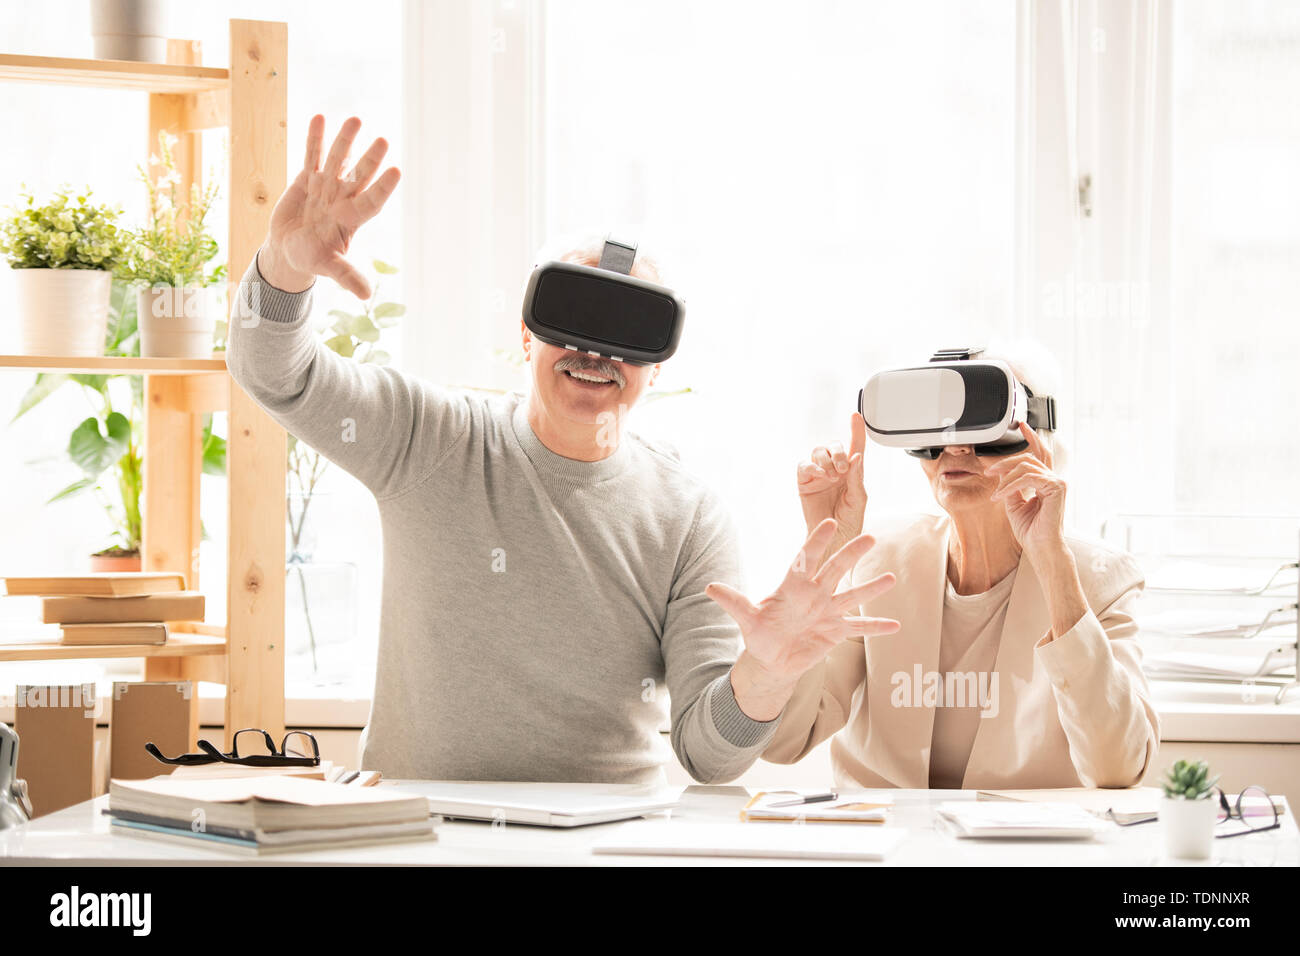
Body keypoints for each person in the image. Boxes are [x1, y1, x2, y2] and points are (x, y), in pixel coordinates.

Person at [226, 115, 897, 784]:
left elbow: (708, 756)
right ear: (526, 337)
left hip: (604, 840)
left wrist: (767, 673)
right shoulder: (427, 439)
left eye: (628, 332)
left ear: (656, 369)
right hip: (424, 833)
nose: (596, 353)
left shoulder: (688, 516)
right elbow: (277, 374)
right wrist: (284, 267)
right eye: (573, 321)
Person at [762, 350, 1160, 789]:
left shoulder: (1103, 579)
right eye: (940, 423)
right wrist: (824, 556)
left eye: (984, 423)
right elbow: (783, 741)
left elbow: (1119, 768)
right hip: (886, 842)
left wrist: (1052, 561)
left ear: (1037, 440)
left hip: (1020, 848)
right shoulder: (875, 561)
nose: (956, 446)